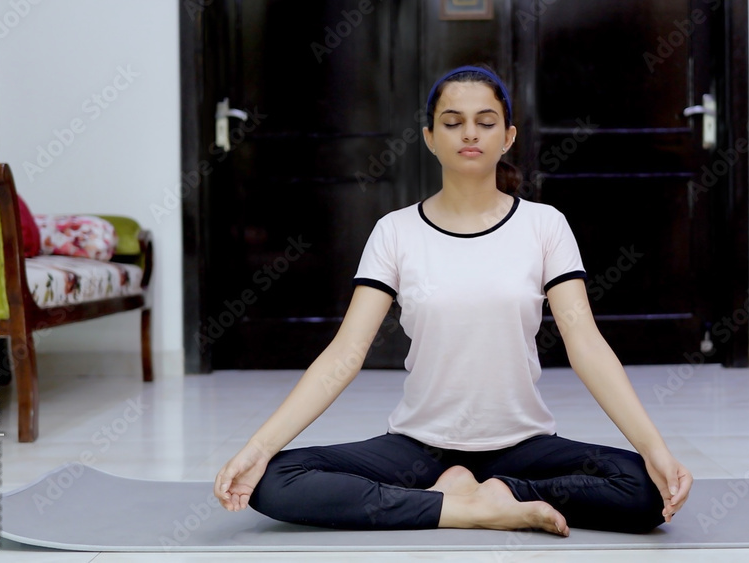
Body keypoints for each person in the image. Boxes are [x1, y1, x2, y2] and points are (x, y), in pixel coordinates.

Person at [214, 65, 692, 536]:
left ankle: (501, 492)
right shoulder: (395, 231)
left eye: (485, 122)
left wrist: (653, 448)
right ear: (429, 137)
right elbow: (345, 354)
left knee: (645, 488)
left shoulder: (544, 225)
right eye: (452, 122)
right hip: (418, 450)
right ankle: (463, 508)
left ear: (507, 137)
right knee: (274, 479)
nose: (469, 133)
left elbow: (585, 343)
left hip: (523, 446)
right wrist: (259, 447)